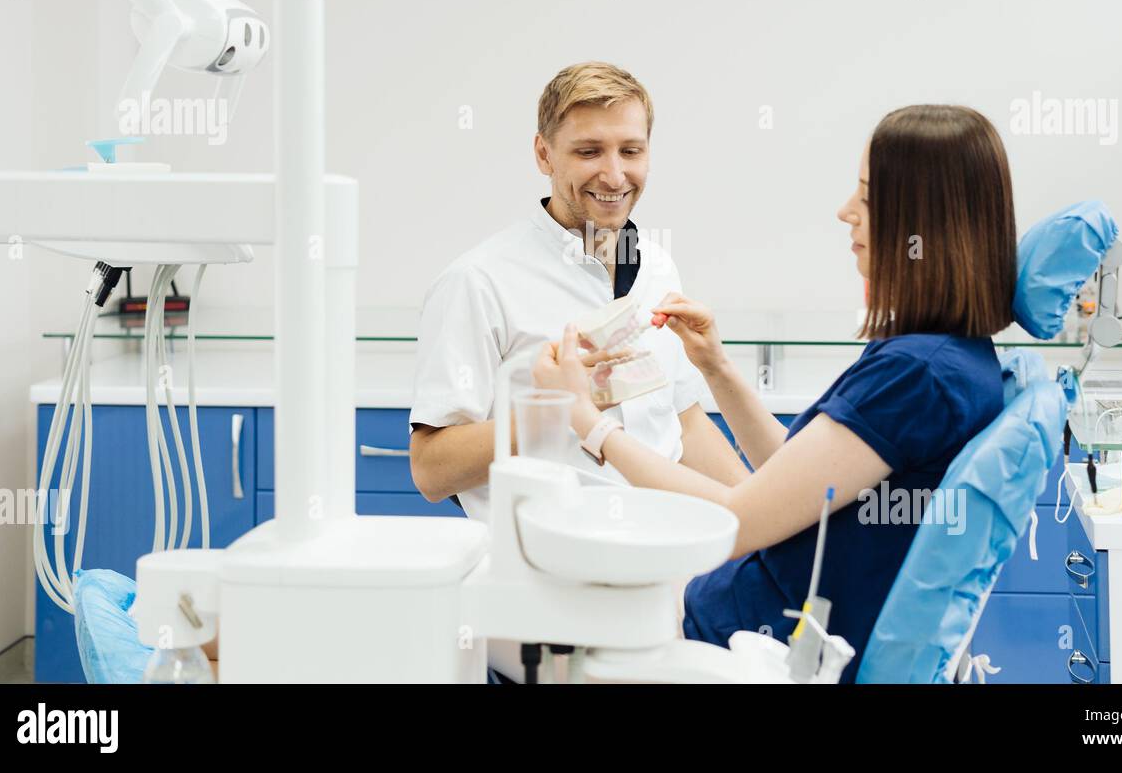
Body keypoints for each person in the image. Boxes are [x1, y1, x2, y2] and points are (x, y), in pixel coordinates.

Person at [531, 104, 1017, 682]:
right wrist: (716, 368)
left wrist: (587, 420)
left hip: (742, 641)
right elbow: (800, 480)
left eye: (865, 196)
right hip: (740, 615)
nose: (844, 213)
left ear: (922, 221)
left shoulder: (919, 376)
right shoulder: (944, 356)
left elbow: (739, 517)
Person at [409, 61, 745, 525]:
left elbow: (683, 422)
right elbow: (430, 469)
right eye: (588, 152)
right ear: (544, 155)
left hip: (663, 553)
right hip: (545, 569)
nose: (613, 176)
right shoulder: (478, 281)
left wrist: (759, 513)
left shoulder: (658, 268)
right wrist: (558, 410)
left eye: (630, 151)